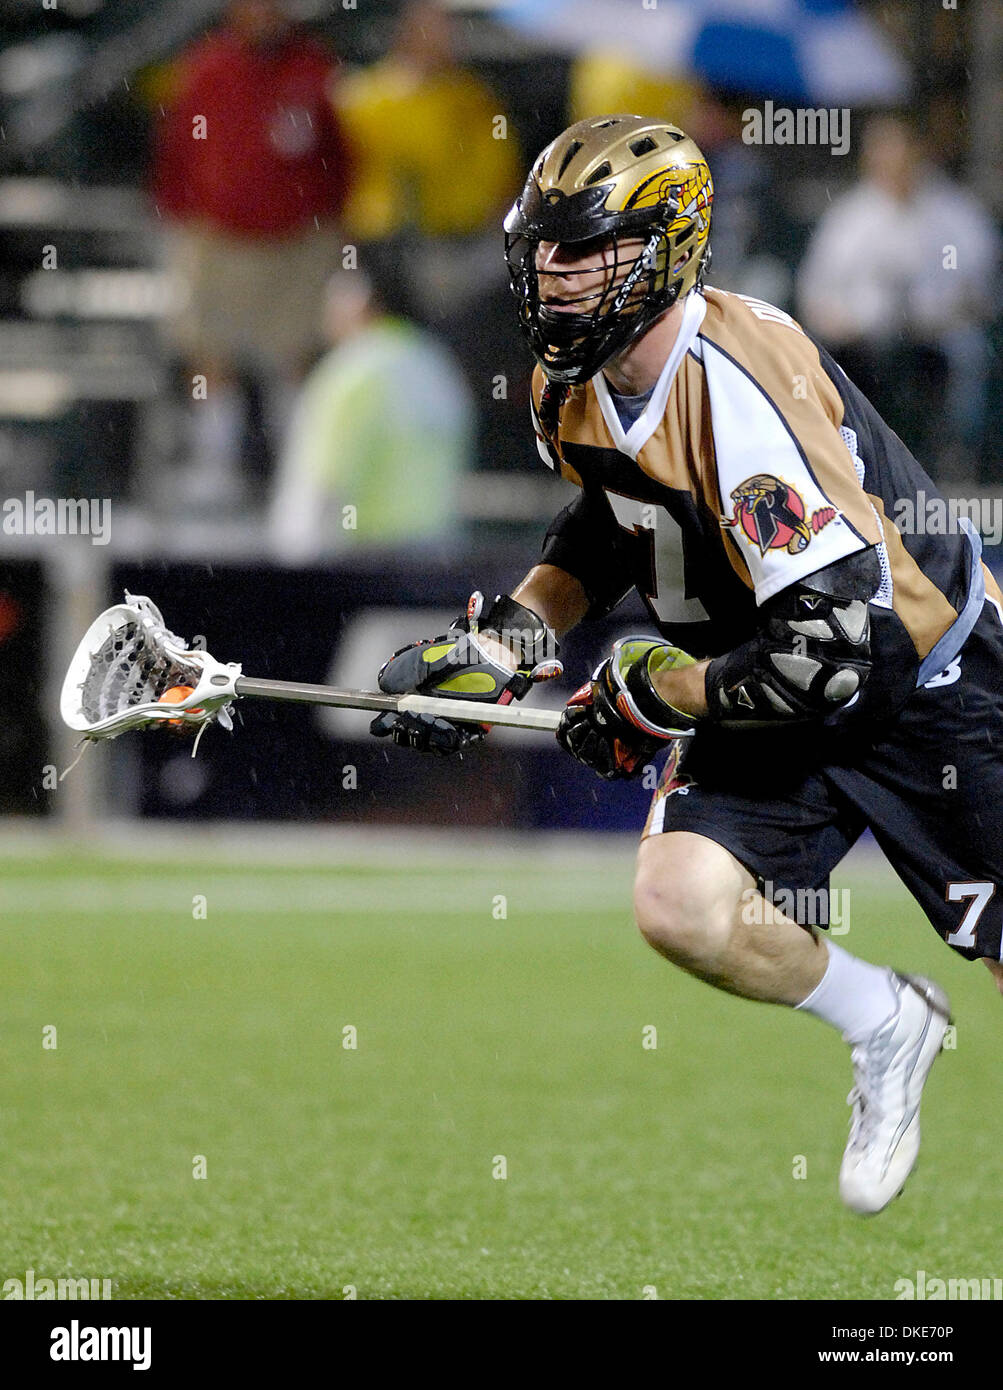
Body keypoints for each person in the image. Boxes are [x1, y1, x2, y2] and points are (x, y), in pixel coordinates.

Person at [369, 114, 1003, 1216]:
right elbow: (614, 521)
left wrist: (659, 692)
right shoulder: (570, 382)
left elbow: (837, 653)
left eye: (583, 252)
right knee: (681, 902)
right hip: (773, 665)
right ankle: (885, 1020)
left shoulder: (737, 398)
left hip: (921, 678)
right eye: (544, 252)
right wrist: (506, 644)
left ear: (663, 252)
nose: (552, 279)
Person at [152, 0, 352, 510]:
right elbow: (177, 147)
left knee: (297, 358)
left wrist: (326, 219)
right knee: (210, 354)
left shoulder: (313, 65)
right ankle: (212, 462)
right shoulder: (205, 66)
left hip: (295, 241)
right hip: (220, 236)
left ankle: (303, 471)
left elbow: (339, 151)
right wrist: (181, 212)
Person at [797, 113, 999, 479]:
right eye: (879, 149)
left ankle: (950, 464)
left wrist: (940, 318)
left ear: (918, 150)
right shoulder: (849, 218)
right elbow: (815, 296)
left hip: (934, 349)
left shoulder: (956, 215)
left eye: (897, 147)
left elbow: (980, 294)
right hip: (863, 354)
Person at [268, 269, 473, 562]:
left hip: (363, 565)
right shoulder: (437, 364)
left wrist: (292, 580)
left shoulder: (353, 370)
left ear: (361, 302)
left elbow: (321, 489)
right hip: (435, 561)